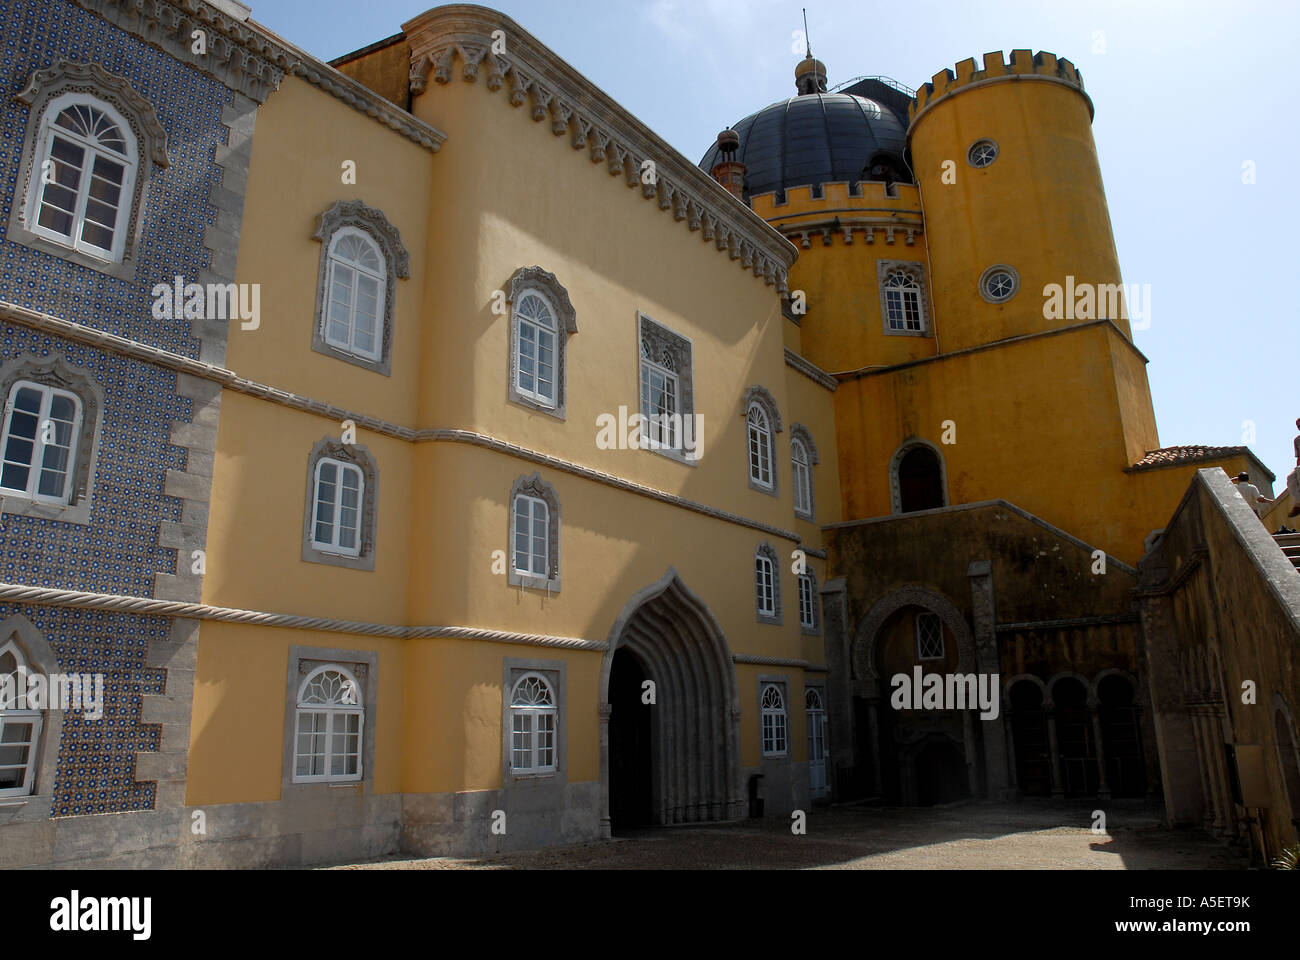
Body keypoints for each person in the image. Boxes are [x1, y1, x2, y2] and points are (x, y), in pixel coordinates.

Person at [1289, 417, 1300, 518]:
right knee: (1290, 478)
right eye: (1298, 426)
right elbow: (1298, 457)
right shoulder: (1297, 440)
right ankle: (1298, 504)